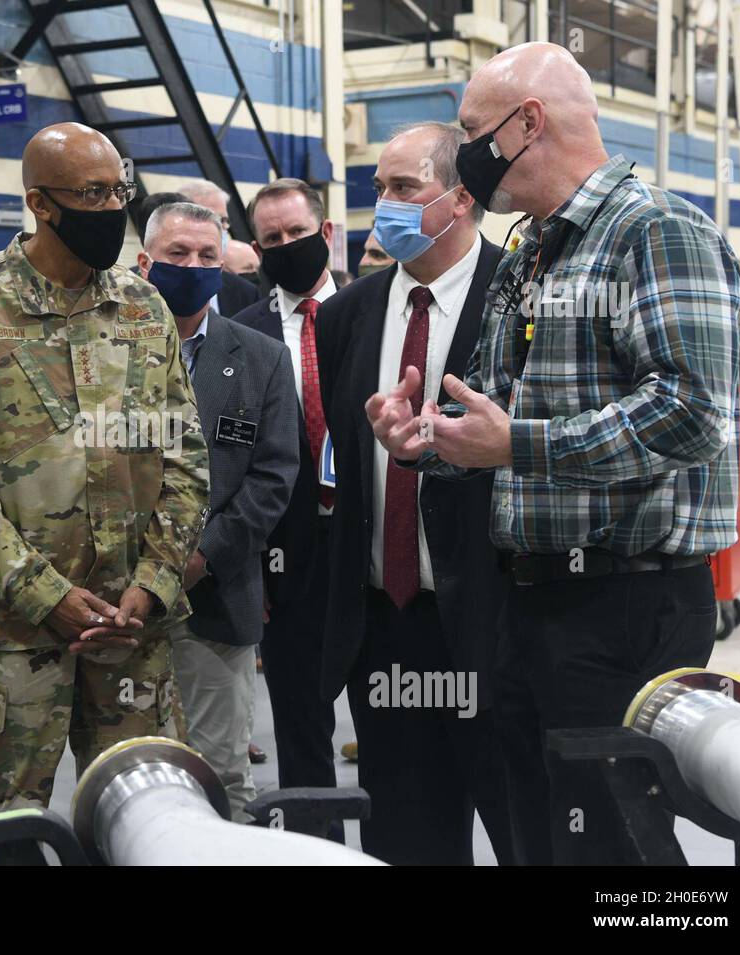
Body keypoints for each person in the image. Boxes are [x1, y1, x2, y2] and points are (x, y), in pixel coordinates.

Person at [367, 42, 740, 865]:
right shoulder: (534, 249)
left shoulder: (659, 233)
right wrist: (424, 441)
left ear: (525, 123)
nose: (463, 151)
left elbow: (692, 415)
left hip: (624, 605)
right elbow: (496, 418)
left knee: (611, 845)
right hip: (529, 601)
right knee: (537, 833)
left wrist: (520, 444)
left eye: (472, 131)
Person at [0, 122, 210, 865]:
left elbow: (185, 459)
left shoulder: (143, 308)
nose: (113, 206)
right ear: (40, 203)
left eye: (119, 190)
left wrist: (152, 582)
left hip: (132, 634)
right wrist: (49, 595)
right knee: (3, 833)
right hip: (12, 636)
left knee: (149, 824)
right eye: (92, 194)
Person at [316, 121, 512, 865]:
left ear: (461, 198)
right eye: (379, 189)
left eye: (405, 188)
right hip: (386, 624)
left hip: (493, 622)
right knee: (405, 837)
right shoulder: (346, 315)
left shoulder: (517, 296)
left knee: (523, 827)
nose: (384, 205)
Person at [139, 200, 298, 820]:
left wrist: (201, 558)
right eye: (178, 254)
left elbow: (273, 477)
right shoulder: (101, 351)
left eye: (208, 255)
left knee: (220, 775)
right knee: (129, 774)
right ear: (145, 261)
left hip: (214, 599)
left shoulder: (261, 357)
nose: (195, 266)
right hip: (113, 604)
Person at [230, 178, 339, 801]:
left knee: (395, 728)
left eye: (297, 233)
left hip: (371, 551)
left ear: (325, 233)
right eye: (271, 239)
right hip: (286, 558)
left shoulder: (378, 310)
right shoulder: (242, 336)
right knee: (301, 731)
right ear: (256, 248)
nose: (286, 245)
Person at [177, 180, 260, 316]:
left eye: (223, 220)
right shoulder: (155, 285)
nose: (220, 228)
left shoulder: (245, 292)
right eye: (212, 219)